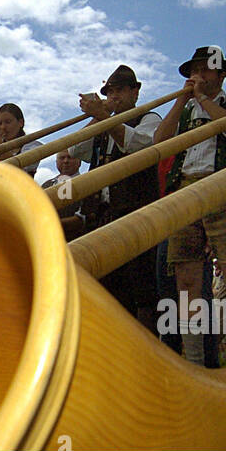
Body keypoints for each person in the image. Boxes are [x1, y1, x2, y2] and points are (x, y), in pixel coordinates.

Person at [153, 45, 226, 366]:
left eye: (205, 69)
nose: (197, 75)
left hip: (223, 189)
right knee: (186, 281)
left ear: (221, 74)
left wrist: (203, 100)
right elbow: (160, 141)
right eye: (194, 70)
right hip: (184, 191)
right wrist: (181, 101)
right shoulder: (184, 110)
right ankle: (194, 362)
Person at [69, 64, 163, 328]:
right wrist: (98, 117)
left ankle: (144, 354)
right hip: (103, 216)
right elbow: (75, 149)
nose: (114, 97)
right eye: (110, 92)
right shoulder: (102, 124)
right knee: (105, 289)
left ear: (135, 92)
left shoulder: (148, 117)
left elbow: (141, 145)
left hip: (135, 215)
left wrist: (105, 118)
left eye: (120, 90)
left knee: (141, 290)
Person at [0, 103, 42, 176]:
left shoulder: (33, 146)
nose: (3, 127)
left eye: (8, 122)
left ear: (21, 123)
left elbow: (16, 172)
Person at [40, 150, 83, 239]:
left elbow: (82, 219)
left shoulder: (86, 183)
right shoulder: (46, 185)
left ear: (79, 162)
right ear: (56, 162)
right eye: (62, 158)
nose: (66, 161)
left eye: (70, 157)